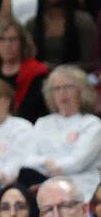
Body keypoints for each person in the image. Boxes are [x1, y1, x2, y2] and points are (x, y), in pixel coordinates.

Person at [22, 65, 101, 201]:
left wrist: (47, 166)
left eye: (68, 87)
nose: (62, 93)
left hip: (81, 193)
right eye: (56, 89)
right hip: (47, 192)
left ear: (82, 91)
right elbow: (27, 159)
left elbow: (77, 163)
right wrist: (47, 162)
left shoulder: (93, 124)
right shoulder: (42, 123)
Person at [28, 0, 98, 72]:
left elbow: (90, 63)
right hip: (40, 79)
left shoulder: (83, 21)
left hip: (78, 79)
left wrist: (58, 70)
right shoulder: (32, 24)